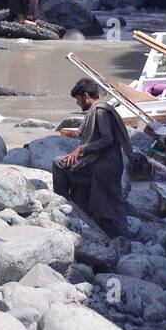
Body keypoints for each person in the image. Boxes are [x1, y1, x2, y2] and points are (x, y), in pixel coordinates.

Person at [52, 78, 135, 237]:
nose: (77, 103)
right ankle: (76, 208)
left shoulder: (100, 111)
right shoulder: (99, 110)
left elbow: (107, 139)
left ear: (85, 96)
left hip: (102, 168)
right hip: (103, 164)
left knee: (58, 164)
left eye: (78, 99)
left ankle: (61, 205)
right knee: (64, 163)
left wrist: (82, 148)